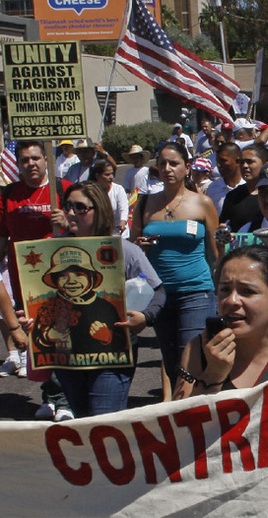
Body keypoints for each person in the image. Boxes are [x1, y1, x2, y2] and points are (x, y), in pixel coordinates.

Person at [39, 181, 165, 417]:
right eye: (68, 206)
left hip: (113, 355)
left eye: (80, 207)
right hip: (68, 359)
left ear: (100, 210)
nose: (71, 213)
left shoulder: (123, 250)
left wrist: (145, 318)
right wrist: (32, 321)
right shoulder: (51, 248)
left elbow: (158, 290)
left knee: (104, 423)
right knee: (83, 423)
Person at [172, 246, 268, 398]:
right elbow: (177, 422)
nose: (232, 301)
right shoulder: (198, 350)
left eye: (247, 291)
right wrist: (213, 374)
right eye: (225, 290)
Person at [131, 142, 219, 385]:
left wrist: (221, 289)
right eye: (162, 164)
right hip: (159, 294)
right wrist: (139, 245)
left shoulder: (202, 203)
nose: (167, 168)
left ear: (187, 167)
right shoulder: (145, 203)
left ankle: (195, 415)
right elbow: (131, 249)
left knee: (191, 361)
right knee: (171, 364)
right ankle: (182, 415)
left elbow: (216, 253)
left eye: (174, 163)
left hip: (196, 292)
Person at [0, 141, 70, 378]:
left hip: (62, 277)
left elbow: (92, 231)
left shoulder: (65, 189)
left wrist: (68, 223)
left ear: (46, 160)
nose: (31, 164)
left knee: (65, 335)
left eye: (36, 158)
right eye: (24, 160)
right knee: (38, 336)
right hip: (25, 281)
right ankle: (50, 393)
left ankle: (64, 396)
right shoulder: (8, 195)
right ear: (18, 164)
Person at [220, 143, 268, 232]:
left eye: (250, 162)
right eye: (241, 162)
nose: (244, 166)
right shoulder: (233, 196)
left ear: (265, 165)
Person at [90, 159, 129, 237]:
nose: (111, 177)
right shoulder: (92, 191)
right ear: (97, 176)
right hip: (101, 234)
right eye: (107, 174)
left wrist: (122, 222)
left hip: (119, 233)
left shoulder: (118, 189)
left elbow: (123, 209)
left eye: (112, 174)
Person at [206, 142, 244, 215]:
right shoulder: (212, 189)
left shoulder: (249, 186)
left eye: (223, 161)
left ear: (237, 161)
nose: (218, 165)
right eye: (217, 161)